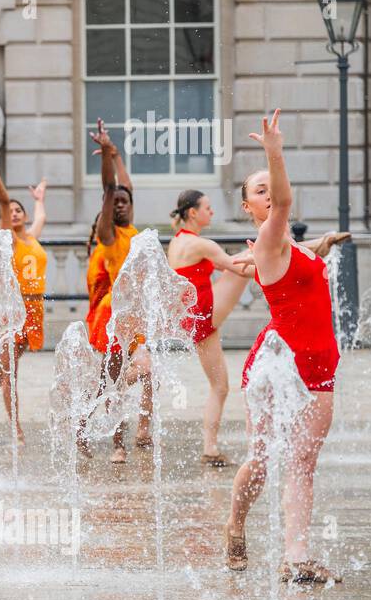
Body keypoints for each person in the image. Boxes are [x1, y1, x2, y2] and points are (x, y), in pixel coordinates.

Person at [225, 110, 341, 585]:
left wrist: (323, 243)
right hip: (280, 363)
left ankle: (296, 558)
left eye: (268, 185)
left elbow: (301, 257)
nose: (269, 193)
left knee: (303, 462)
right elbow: (284, 206)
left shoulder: (290, 247)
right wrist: (274, 151)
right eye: (260, 190)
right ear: (250, 207)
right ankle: (235, 523)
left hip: (319, 364)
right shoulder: (270, 237)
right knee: (262, 459)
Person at [79, 119, 151, 464]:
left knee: (113, 380)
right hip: (113, 316)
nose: (121, 204)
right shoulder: (108, 237)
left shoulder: (134, 231)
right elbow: (110, 188)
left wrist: (117, 154)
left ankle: (82, 426)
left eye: (126, 201)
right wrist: (106, 157)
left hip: (132, 315)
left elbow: (124, 186)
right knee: (115, 381)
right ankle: (115, 442)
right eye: (115, 202)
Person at [166, 189, 255, 466]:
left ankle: (211, 448)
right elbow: (239, 268)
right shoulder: (201, 244)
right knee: (220, 386)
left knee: (219, 386)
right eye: (207, 208)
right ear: (193, 213)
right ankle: (210, 449)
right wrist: (276, 270)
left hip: (194, 316)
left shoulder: (178, 241)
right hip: (203, 314)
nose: (212, 212)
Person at [0, 143, 46, 444]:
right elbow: (4, 201)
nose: (14, 213)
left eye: (20, 210)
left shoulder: (32, 239)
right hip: (12, 312)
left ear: (25, 216)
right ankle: (15, 428)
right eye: (11, 212)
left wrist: (39, 200)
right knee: (9, 373)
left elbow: (41, 218)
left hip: (33, 311)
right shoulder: (9, 240)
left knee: (2, 372)